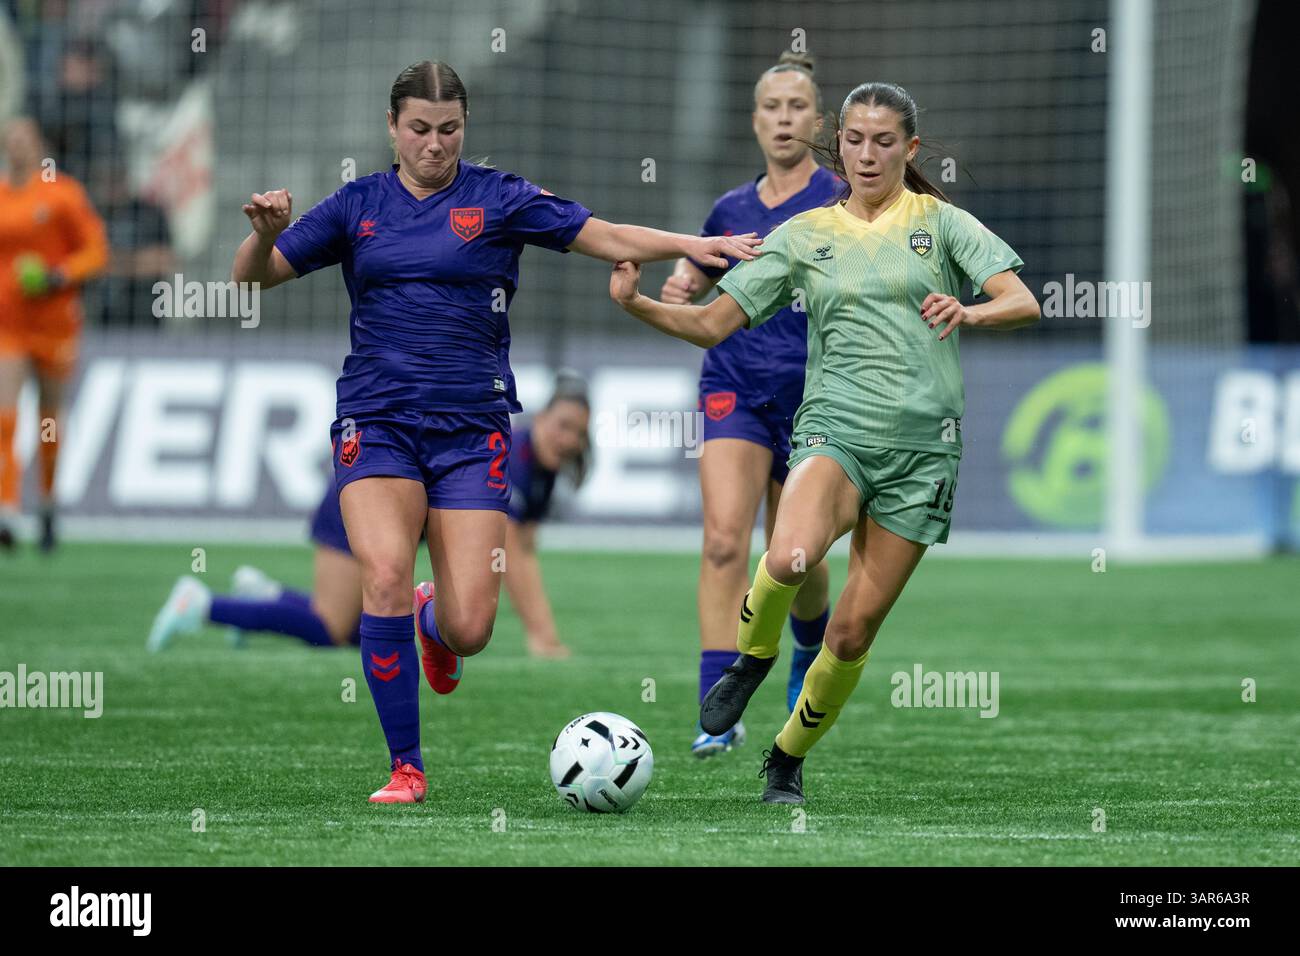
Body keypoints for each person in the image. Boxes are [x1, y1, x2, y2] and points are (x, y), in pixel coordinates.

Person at [229, 60, 760, 803]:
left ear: (464, 128)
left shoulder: (500, 198)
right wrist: (264, 236)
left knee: (471, 626)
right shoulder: (357, 204)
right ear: (392, 127)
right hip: (376, 421)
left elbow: (601, 233)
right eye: (419, 129)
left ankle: (431, 618)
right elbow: (253, 278)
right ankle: (406, 767)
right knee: (380, 573)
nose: (435, 144)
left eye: (449, 130)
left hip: (473, 429)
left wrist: (692, 245)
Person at [610, 82, 1039, 804]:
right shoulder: (805, 234)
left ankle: (785, 758)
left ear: (910, 148)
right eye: (855, 139)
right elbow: (715, 323)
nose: (867, 154)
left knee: (849, 634)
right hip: (835, 426)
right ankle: (750, 661)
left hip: (924, 451)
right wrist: (637, 303)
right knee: (788, 554)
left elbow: (1023, 300)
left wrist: (968, 309)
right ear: (837, 144)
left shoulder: (943, 222)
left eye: (882, 141)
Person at [145, 372, 592, 659]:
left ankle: (269, 596)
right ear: (541, 417)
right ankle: (203, 605)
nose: (568, 438)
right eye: (562, 424)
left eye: (578, 432)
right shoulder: (513, 453)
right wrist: (542, 635)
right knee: (332, 628)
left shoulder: (546, 469)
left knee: (379, 634)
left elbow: (520, 547)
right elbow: (511, 554)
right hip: (366, 498)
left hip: (391, 513)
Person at [661, 52, 839, 758]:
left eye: (798, 106)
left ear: (818, 121)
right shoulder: (731, 209)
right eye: (772, 107)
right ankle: (718, 711)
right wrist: (682, 286)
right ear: (756, 119)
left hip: (816, 393)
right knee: (724, 540)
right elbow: (699, 275)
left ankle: (806, 649)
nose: (785, 118)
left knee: (793, 555)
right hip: (734, 384)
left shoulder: (841, 201)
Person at [0, 116, 107, 551]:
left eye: (25, 140)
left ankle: (46, 501)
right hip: (9, 327)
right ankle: (6, 509)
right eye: (11, 141)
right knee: (5, 416)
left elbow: (96, 252)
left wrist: (56, 275)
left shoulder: (63, 194)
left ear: (40, 145)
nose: (17, 148)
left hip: (57, 326)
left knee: (48, 420)